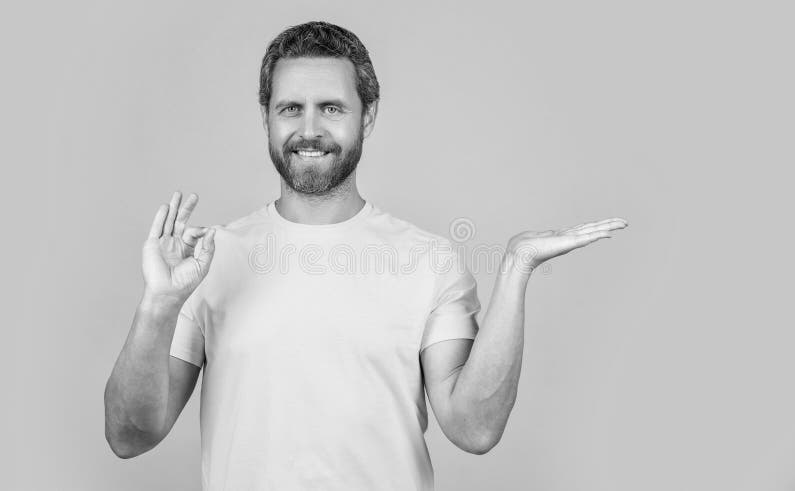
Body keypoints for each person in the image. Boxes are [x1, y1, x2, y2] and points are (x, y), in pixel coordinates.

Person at [104, 20, 628, 490]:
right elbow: (129, 436)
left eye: (331, 108)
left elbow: (474, 429)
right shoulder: (209, 260)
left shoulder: (429, 262)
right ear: (266, 117)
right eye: (291, 108)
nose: (309, 130)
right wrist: (158, 305)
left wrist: (516, 269)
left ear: (368, 116)